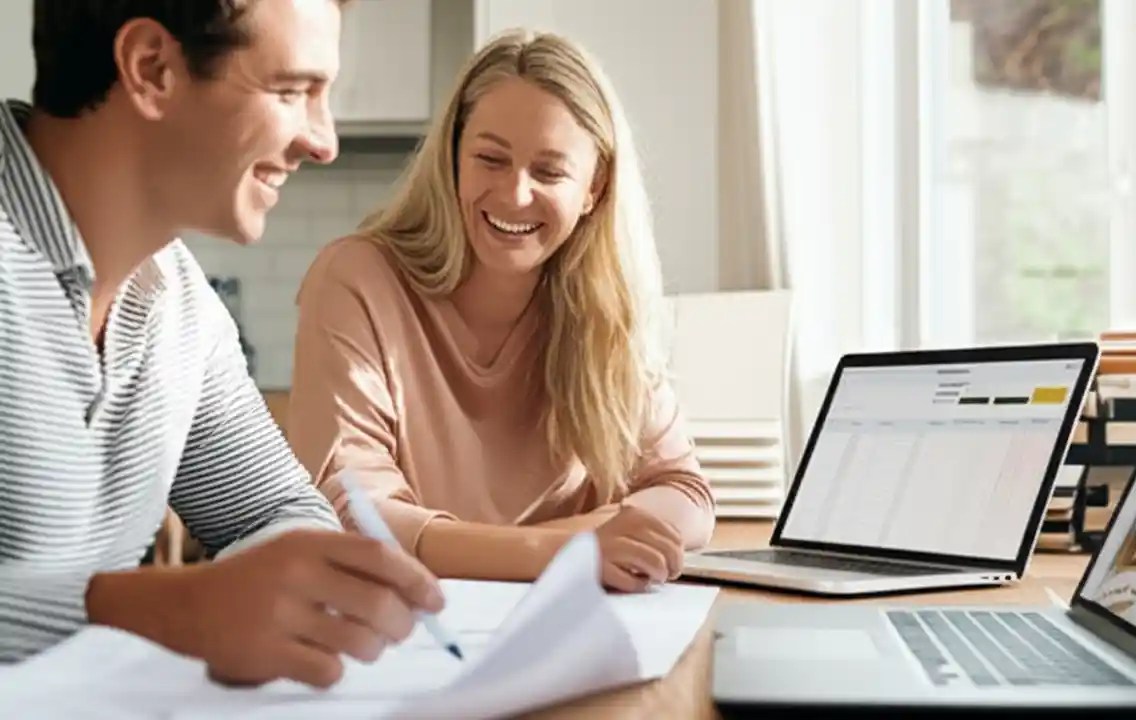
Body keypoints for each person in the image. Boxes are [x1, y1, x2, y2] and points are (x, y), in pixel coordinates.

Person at [0, 0, 444, 688]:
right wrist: (158, 609)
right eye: (293, 91)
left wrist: (306, 582)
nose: (323, 141)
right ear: (153, 70)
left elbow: (281, 513)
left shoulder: (180, 303)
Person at [288, 30, 715, 593]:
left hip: (568, 628)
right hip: (409, 626)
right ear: (453, 159)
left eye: (549, 172)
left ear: (595, 187)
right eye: (490, 159)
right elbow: (355, 517)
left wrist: (576, 545)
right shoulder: (356, 280)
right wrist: (564, 550)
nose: (514, 194)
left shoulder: (605, 310)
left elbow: (685, 491)